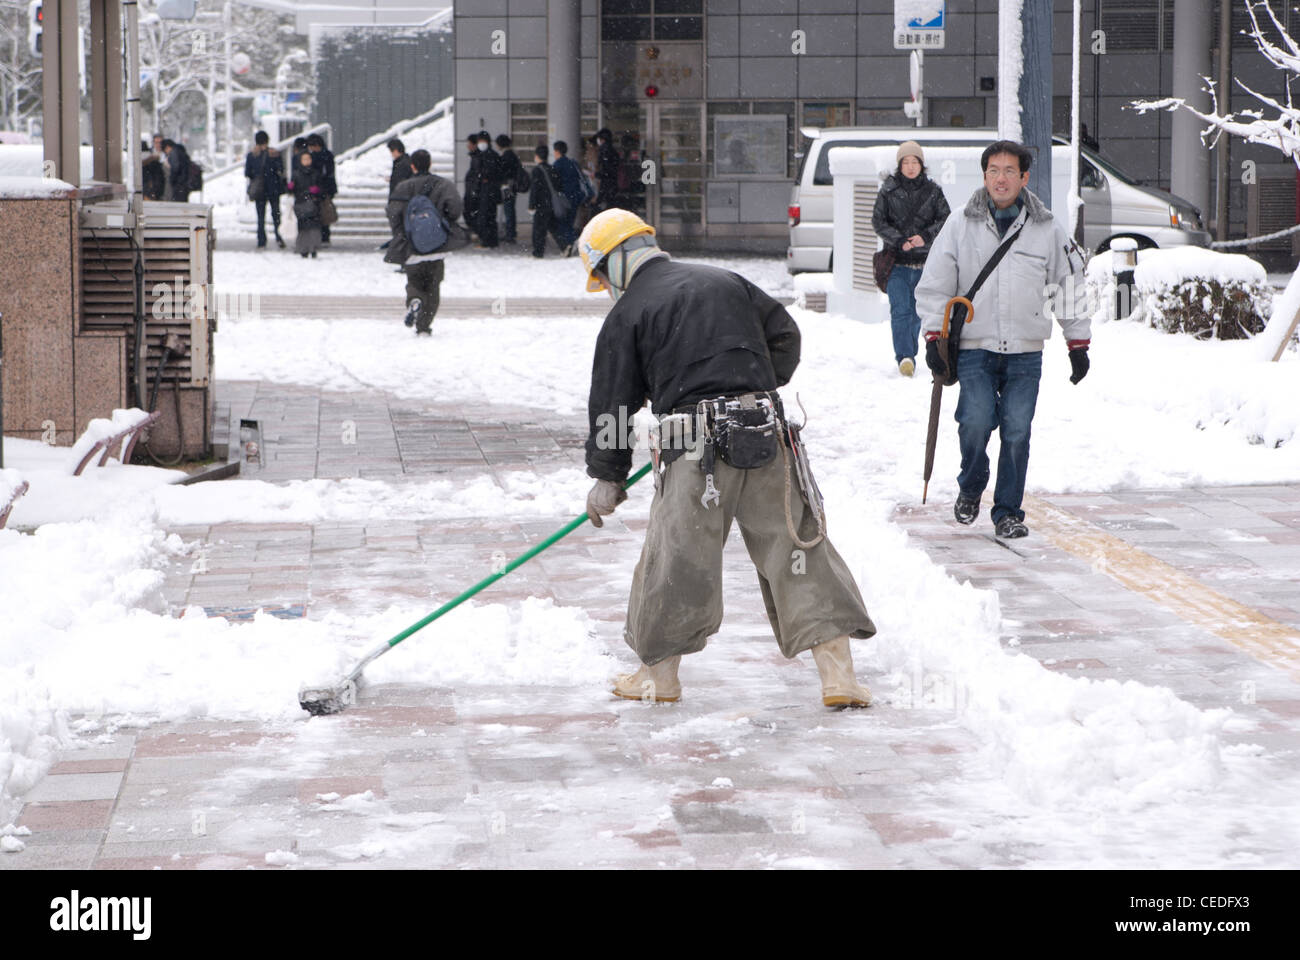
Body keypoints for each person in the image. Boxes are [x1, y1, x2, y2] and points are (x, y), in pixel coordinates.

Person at [578, 208, 877, 708]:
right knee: (798, 550)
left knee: (677, 559)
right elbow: (785, 337)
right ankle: (838, 676)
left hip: (693, 450)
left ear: (615, 262)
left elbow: (612, 405)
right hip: (764, 433)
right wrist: (749, 383)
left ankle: (659, 677)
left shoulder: (629, 313)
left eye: (603, 275)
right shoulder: (726, 280)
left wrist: (606, 476)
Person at [915, 140, 1091, 540]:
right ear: (984, 176)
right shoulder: (961, 223)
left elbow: (1069, 285)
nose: (1001, 178)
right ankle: (971, 484)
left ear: (1024, 178)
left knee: (1016, 431)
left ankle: (1008, 511)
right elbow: (935, 284)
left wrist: (1078, 343)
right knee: (974, 422)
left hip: (1026, 352)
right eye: (994, 170)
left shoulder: (1047, 227)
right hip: (975, 347)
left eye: (1010, 171)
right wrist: (933, 337)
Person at [871, 141, 951, 377]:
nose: (910, 166)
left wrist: (924, 237)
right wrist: (899, 240)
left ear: (921, 164)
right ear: (899, 165)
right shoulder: (888, 190)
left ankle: (911, 352)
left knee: (918, 312)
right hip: (896, 262)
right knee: (900, 310)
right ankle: (905, 356)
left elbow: (946, 219)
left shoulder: (933, 191)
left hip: (925, 264)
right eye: (905, 162)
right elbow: (879, 221)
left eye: (914, 162)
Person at [385, 149, 467, 335]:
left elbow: (393, 212)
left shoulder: (403, 187)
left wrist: (402, 233)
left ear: (412, 166)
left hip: (412, 245)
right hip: (437, 245)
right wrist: (443, 223)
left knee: (414, 280)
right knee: (433, 284)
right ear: (430, 164)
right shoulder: (443, 185)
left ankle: (414, 299)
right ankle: (424, 325)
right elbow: (455, 208)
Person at [244, 130, 286, 250]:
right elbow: (281, 169)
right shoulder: (274, 153)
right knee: (276, 214)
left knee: (260, 215)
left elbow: (247, 173)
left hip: (259, 189)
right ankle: (278, 236)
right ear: (267, 140)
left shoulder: (252, 155)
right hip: (273, 188)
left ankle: (261, 240)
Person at [527, 142, 566, 258]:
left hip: (541, 204)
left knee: (538, 229)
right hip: (551, 203)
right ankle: (565, 245)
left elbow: (534, 189)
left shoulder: (537, 170)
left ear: (537, 156)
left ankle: (538, 251)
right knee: (553, 227)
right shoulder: (552, 168)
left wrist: (531, 205)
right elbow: (558, 186)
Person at [287, 149, 324, 258]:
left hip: (313, 203)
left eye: (308, 159)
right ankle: (303, 248)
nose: (307, 161)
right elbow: (291, 190)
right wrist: (290, 187)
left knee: (313, 227)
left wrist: (317, 191)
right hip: (301, 203)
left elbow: (322, 188)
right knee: (303, 227)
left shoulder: (316, 173)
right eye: (304, 159)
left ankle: (313, 248)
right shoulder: (296, 174)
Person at [551, 139, 583, 254]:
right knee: (570, 221)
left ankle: (572, 243)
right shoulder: (572, 162)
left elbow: (555, 183)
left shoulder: (557, 165)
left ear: (557, 151)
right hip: (576, 196)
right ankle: (574, 242)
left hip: (565, 198)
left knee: (563, 224)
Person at [471, 130, 502, 248]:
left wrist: (483, 178)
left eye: (483, 141)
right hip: (488, 190)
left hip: (487, 190)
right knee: (489, 217)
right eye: (479, 141)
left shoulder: (488, 156)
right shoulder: (483, 155)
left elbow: (491, 173)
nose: (481, 143)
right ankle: (491, 241)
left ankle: (487, 241)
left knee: (485, 217)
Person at [306, 133, 336, 245]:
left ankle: (322, 236)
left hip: (321, 188)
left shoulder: (319, 157)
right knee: (323, 213)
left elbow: (325, 174)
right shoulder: (327, 155)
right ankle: (324, 236)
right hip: (324, 188)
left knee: (321, 213)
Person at [495, 133, 524, 244]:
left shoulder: (506, 156)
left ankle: (510, 234)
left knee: (508, 210)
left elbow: (503, 172)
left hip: (508, 186)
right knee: (510, 209)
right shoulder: (512, 155)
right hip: (512, 186)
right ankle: (511, 232)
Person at [593, 127, 622, 211]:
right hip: (612, 184)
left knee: (600, 209)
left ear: (602, 139)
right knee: (609, 206)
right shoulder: (612, 151)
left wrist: (596, 174)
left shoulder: (604, 151)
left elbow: (607, 170)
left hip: (606, 185)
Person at [462, 132, 482, 240]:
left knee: (471, 211)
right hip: (471, 189)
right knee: (469, 211)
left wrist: (474, 190)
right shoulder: (474, 157)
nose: (467, 146)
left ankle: (476, 231)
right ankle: (474, 231)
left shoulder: (477, 158)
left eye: (469, 143)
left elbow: (476, 176)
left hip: (473, 191)